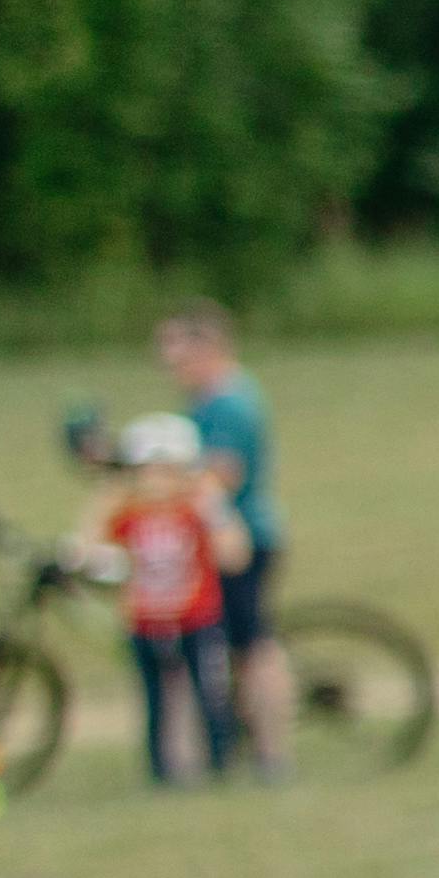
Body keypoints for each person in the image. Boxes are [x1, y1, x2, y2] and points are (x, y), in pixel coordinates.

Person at [153, 303, 289, 784]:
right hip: (224, 540)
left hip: (241, 541)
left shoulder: (228, 403)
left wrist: (158, 491)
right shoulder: (209, 400)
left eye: (178, 356)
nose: (171, 368)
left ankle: (273, 754)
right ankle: (235, 743)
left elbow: (221, 476)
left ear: (208, 348)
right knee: (237, 648)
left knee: (252, 647)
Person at [75, 414, 246, 789]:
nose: (158, 481)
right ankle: (161, 771)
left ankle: (220, 763)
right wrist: (106, 497)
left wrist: (214, 503)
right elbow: (86, 550)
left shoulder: (195, 511)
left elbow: (235, 554)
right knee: (154, 701)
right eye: (149, 471)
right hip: (145, 621)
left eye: (169, 471)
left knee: (209, 695)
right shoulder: (130, 514)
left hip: (196, 619)